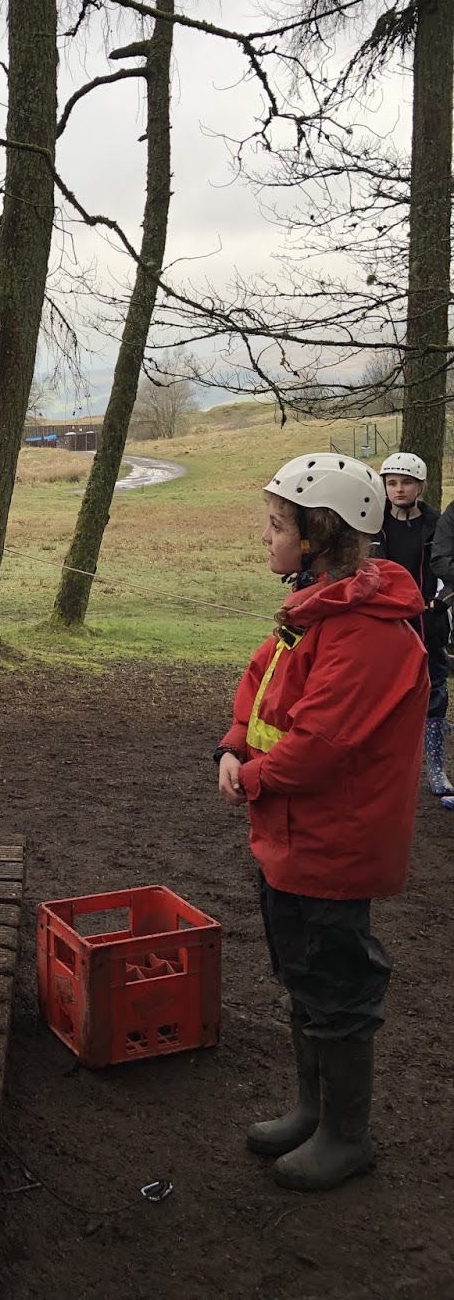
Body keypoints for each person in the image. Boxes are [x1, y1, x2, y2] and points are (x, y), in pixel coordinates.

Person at [214, 453, 428, 1193]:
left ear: (319, 533)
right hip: (292, 831)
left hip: (334, 837)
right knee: (301, 968)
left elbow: (325, 743)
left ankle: (346, 1136)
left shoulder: (367, 632)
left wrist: (253, 778)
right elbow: (258, 677)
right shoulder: (316, 607)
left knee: (337, 978)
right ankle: (313, 1111)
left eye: (277, 526)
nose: (265, 538)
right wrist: (234, 743)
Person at [373, 452, 454, 803]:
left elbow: (447, 567)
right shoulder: (373, 523)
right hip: (383, 623)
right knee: (383, 693)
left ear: (419, 486)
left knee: (435, 689)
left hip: (428, 618)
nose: (399, 489)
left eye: (406, 483)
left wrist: (442, 600)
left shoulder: (437, 524)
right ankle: (384, 768)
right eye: (392, 483)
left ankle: (436, 768)